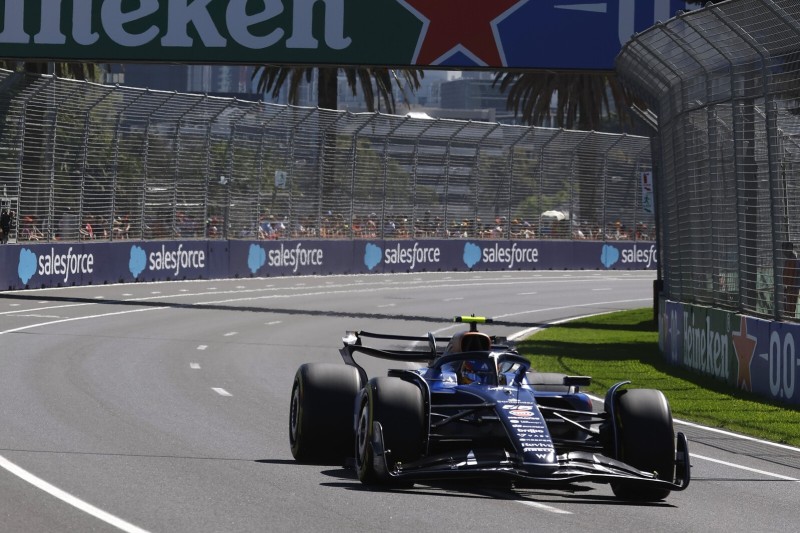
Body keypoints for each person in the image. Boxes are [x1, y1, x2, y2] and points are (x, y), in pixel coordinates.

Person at [782, 241, 799, 318]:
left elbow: (794, 275)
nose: (784, 251)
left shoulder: (794, 261)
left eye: (786, 249)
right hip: (787, 289)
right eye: (783, 249)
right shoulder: (787, 261)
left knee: (790, 310)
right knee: (787, 309)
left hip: (792, 289)